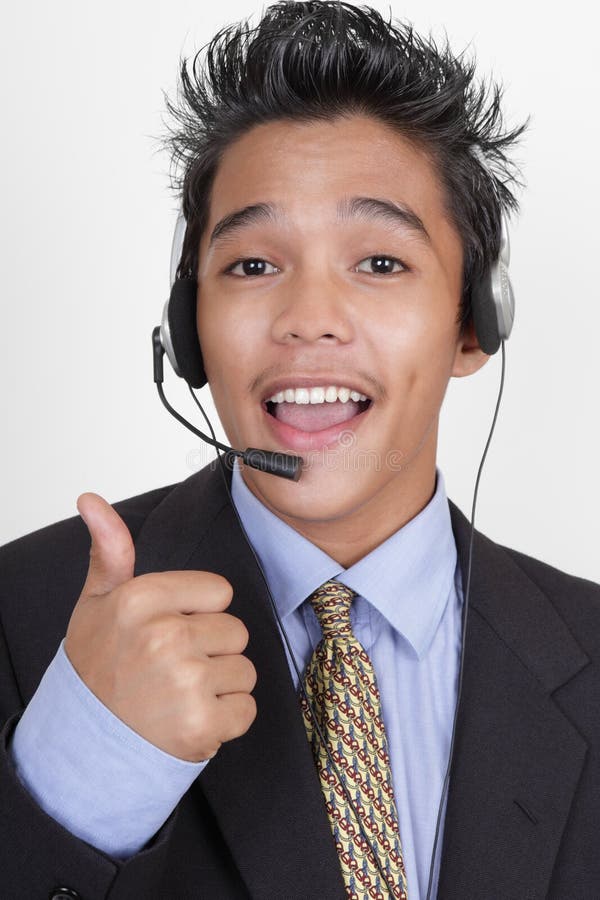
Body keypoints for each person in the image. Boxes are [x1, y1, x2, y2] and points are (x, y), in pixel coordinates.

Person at [1, 2, 599, 898]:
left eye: (380, 263)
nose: (309, 320)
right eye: (252, 265)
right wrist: (82, 776)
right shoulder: (19, 618)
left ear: (475, 321)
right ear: (187, 330)